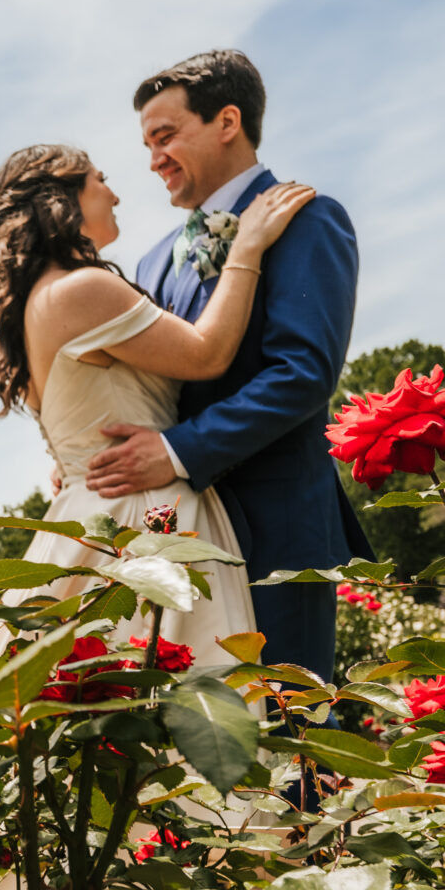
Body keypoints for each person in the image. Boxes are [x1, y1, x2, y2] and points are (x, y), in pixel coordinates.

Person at [81, 49, 372, 678]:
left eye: (165, 135)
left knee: (283, 738)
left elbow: (302, 373)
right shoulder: (153, 261)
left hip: (275, 534)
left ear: (228, 122)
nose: (153, 157)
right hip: (165, 533)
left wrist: (177, 450)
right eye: (147, 142)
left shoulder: (309, 218)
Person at [0, 142, 317, 657]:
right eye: (99, 179)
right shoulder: (82, 289)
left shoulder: (32, 305)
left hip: (82, 512)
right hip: (141, 511)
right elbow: (207, 355)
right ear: (62, 199)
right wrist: (247, 246)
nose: (113, 193)